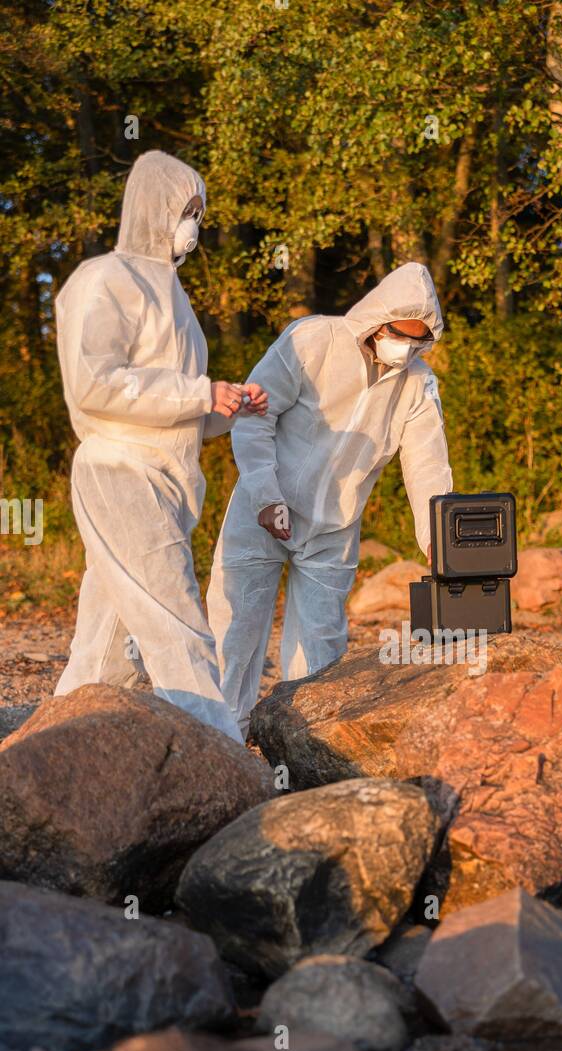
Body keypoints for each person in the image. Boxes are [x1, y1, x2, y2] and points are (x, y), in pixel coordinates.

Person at [54, 150, 268, 743]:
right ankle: (220, 755)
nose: (193, 225)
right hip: (121, 472)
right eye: (185, 210)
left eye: (199, 213)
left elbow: (181, 414)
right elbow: (94, 384)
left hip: (168, 481)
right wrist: (201, 392)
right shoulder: (105, 279)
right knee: (179, 624)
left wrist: (226, 406)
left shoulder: (176, 298)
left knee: (105, 648)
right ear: (153, 207)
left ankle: (57, 757)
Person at [207, 261, 452, 735]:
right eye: (403, 334)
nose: (410, 348)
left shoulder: (418, 384)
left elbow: (427, 465)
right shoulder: (311, 341)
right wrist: (264, 495)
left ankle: (301, 747)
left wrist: (436, 536)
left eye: (422, 340)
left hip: (333, 528)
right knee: (234, 630)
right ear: (378, 321)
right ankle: (222, 739)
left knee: (320, 647)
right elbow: (256, 416)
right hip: (263, 510)